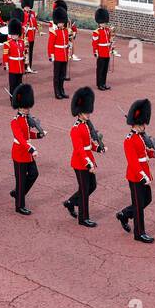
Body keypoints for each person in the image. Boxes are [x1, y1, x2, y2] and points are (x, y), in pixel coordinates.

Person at [116, 99, 155, 243]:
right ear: (135, 124)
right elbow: (133, 161)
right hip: (136, 176)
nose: (144, 126)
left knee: (147, 199)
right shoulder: (129, 139)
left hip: (144, 173)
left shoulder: (140, 137)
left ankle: (125, 214)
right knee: (139, 205)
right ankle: (139, 233)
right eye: (142, 124)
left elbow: (144, 153)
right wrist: (142, 176)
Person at [63, 86, 100, 227]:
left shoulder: (85, 125)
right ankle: (83, 218)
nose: (88, 114)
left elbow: (88, 144)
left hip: (87, 158)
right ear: (79, 113)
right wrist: (89, 164)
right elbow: (79, 149)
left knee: (92, 186)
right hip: (80, 162)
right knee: (84, 190)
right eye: (85, 112)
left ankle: (71, 202)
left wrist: (98, 148)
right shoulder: (76, 129)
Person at [8, 84, 43, 215]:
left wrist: (39, 135)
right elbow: (21, 139)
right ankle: (19, 205)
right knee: (21, 180)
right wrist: (31, 149)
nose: (28, 109)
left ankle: (18, 193)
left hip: (27, 152)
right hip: (20, 153)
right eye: (26, 107)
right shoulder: (15, 121)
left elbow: (28, 135)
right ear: (20, 106)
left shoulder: (27, 120)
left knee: (34, 174)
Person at [47, 6, 71, 100]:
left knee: (62, 75)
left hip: (64, 55)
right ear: (57, 22)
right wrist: (51, 55)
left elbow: (67, 42)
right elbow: (50, 45)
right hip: (57, 55)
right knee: (57, 76)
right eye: (60, 22)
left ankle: (62, 90)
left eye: (62, 22)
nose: (61, 24)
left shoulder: (65, 31)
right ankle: (57, 92)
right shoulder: (54, 32)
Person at [92, 7, 114, 91]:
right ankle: (99, 84)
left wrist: (111, 44)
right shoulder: (96, 32)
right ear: (99, 23)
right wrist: (95, 52)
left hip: (106, 52)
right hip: (101, 52)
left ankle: (104, 83)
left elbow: (109, 40)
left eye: (104, 22)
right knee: (100, 69)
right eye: (102, 23)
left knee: (105, 69)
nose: (104, 24)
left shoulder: (108, 30)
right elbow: (94, 43)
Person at [4, 18, 27, 98]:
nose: (14, 36)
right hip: (13, 66)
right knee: (13, 84)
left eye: (15, 34)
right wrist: (6, 65)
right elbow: (5, 56)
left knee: (19, 84)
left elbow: (23, 53)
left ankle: (18, 97)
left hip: (20, 66)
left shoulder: (22, 42)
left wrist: (25, 58)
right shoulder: (8, 44)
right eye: (13, 34)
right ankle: (12, 99)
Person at [20, 0, 38, 72]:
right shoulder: (21, 14)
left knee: (30, 51)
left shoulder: (33, 13)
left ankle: (29, 66)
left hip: (32, 35)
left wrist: (38, 30)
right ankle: (24, 66)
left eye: (28, 6)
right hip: (25, 35)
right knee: (24, 51)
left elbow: (35, 23)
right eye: (26, 6)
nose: (27, 8)